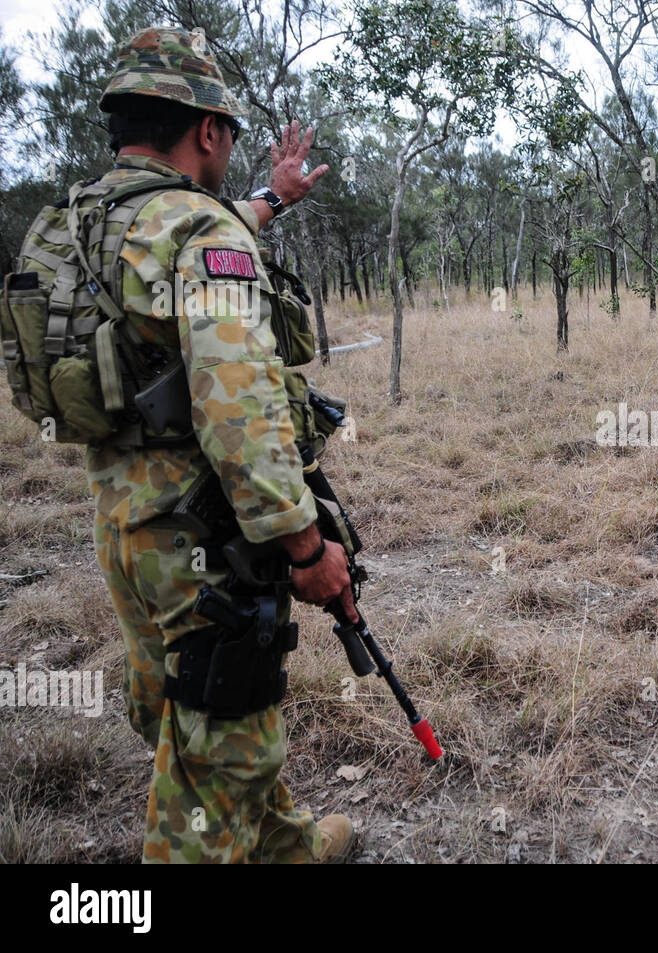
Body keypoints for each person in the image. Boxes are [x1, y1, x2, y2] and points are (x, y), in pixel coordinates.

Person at [83, 26, 357, 862]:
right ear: (207, 129)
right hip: (203, 536)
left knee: (181, 704)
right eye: (228, 134)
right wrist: (306, 545)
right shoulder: (204, 234)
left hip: (124, 525)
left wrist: (271, 199)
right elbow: (239, 412)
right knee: (223, 740)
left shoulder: (87, 223)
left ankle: (282, 844)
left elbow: (181, 251)